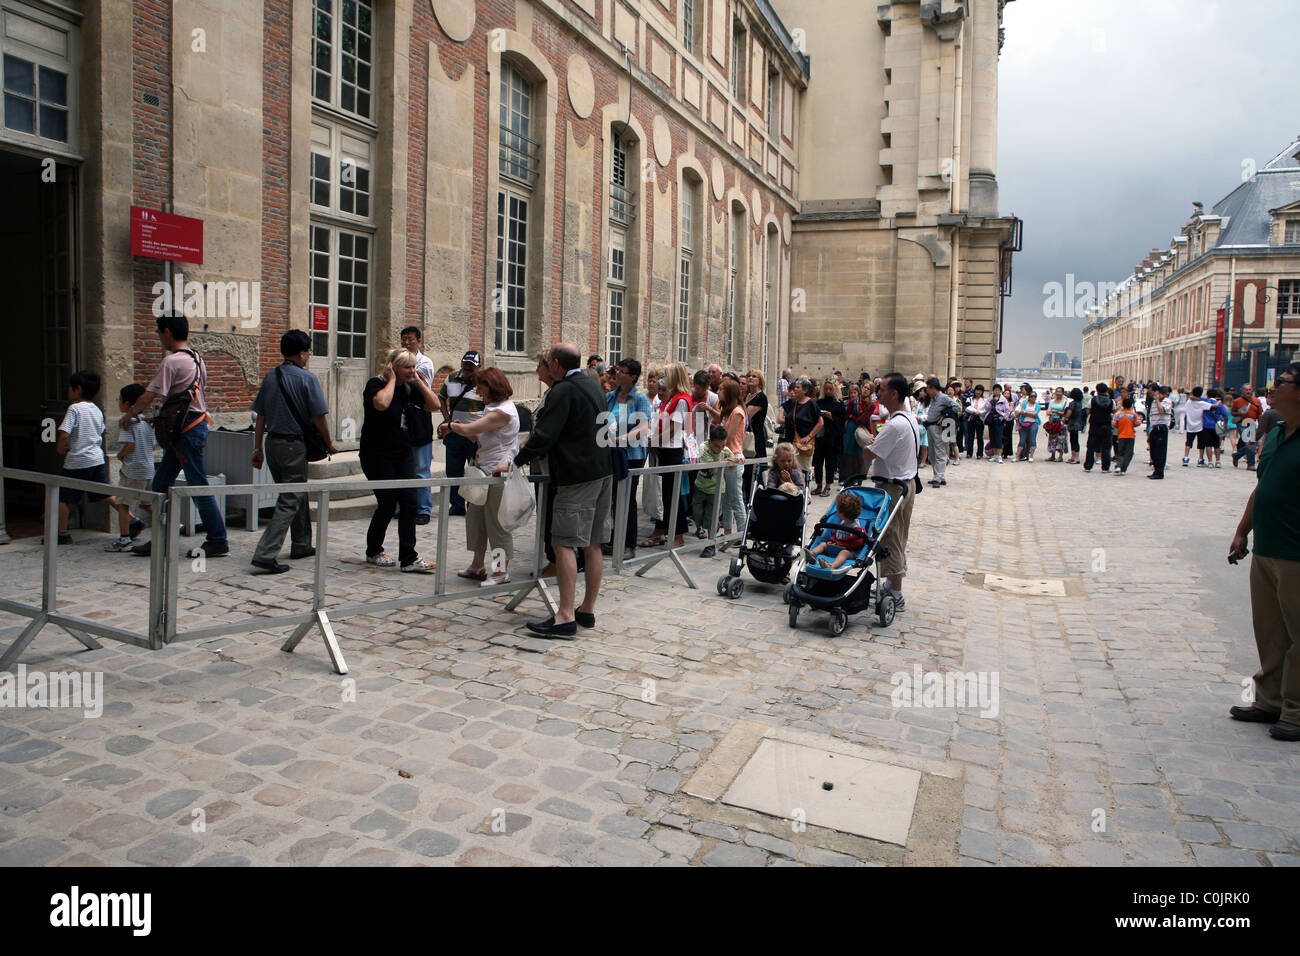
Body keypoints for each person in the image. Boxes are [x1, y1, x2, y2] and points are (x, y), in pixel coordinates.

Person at [503, 344, 613, 639]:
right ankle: (586, 609)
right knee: (593, 544)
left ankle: (565, 616)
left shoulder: (563, 390)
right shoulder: (592, 385)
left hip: (577, 476)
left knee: (563, 543)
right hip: (602, 471)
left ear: (555, 363)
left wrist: (515, 463)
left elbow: (545, 436)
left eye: (546, 362)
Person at [1228, 362, 1300, 741]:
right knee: (1269, 630)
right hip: (1267, 547)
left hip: (1296, 553)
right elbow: (1263, 487)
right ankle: (1269, 700)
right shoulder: (1276, 434)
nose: (1271, 390)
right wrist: (1243, 531)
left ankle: (1296, 710)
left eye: (1281, 384)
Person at [121, 312, 227, 557]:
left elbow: (149, 396)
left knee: (197, 484)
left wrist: (129, 415)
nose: (158, 338)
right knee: (160, 484)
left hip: (185, 431)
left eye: (159, 332)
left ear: (166, 331)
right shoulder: (198, 359)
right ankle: (161, 539)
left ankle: (218, 539)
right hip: (191, 427)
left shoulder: (172, 361)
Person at [248, 329, 339, 573]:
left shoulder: (270, 376)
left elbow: (260, 418)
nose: (308, 356)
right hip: (293, 446)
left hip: (272, 444)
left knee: (296, 492)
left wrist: (257, 448)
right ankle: (265, 554)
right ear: (301, 353)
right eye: (308, 351)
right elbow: (319, 416)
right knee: (290, 498)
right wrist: (329, 442)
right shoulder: (307, 379)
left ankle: (301, 543)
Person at [360, 348, 441, 572]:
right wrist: (391, 380)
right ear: (393, 367)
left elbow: (435, 406)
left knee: (409, 503)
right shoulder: (376, 385)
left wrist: (420, 383)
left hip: (402, 452)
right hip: (376, 454)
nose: (412, 371)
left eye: (414, 366)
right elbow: (382, 404)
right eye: (407, 367)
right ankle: (373, 550)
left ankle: (408, 558)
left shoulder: (409, 388)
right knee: (387, 503)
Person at [450, 367, 519, 586]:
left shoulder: (503, 411)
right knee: (476, 520)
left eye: (481, 386)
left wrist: (452, 426)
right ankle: (477, 565)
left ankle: (500, 571)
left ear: (492, 386)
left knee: (496, 526)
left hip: (496, 475)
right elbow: (479, 436)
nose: (478, 391)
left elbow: (474, 429)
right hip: (483, 472)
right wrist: (463, 429)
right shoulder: (493, 407)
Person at [859, 373, 920, 612]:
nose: (878, 393)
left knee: (890, 537)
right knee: (898, 536)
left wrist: (865, 442)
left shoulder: (894, 425)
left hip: (892, 486)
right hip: (906, 483)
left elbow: (869, 454)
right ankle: (892, 584)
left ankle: (896, 592)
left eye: (882, 390)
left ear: (894, 394)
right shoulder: (908, 418)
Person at [53, 371, 119, 547]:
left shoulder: (74, 408)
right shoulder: (96, 409)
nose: (68, 390)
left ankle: (62, 533)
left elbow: (64, 433)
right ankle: (131, 518)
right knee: (105, 492)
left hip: (77, 460)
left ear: (78, 389)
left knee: (64, 497)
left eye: (70, 387)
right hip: (96, 459)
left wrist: (61, 448)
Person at [604, 358, 652, 561]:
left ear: (633, 376)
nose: (617, 374)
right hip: (611, 451)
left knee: (628, 498)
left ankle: (629, 544)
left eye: (622, 371)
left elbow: (644, 427)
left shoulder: (640, 399)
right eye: (617, 369)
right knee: (614, 498)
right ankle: (615, 538)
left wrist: (623, 438)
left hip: (631, 455)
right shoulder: (610, 397)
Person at [643, 363, 692, 548]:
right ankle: (661, 529)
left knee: (673, 495)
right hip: (665, 448)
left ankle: (678, 534)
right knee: (665, 494)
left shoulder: (681, 400)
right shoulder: (673, 398)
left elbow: (674, 428)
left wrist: (655, 441)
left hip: (672, 449)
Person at [107, 384, 154, 551]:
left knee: (123, 505)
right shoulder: (146, 423)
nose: (118, 402)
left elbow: (130, 445)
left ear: (127, 404)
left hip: (133, 470)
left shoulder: (126, 423)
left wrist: (120, 455)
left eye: (119, 399)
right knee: (147, 503)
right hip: (148, 469)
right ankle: (173, 522)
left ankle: (124, 540)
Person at [437, 350, 483, 516]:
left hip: (475, 433)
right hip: (455, 431)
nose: (467, 369)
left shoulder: (483, 382)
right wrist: (447, 419)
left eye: (471, 367)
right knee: (453, 469)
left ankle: (474, 502)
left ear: (479, 367)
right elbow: (441, 397)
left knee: (475, 469)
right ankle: (456, 504)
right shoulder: (452, 378)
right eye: (465, 365)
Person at [400, 326, 437, 524]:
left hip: (420, 417)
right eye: (403, 339)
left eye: (410, 340)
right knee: (404, 467)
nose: (406, 343)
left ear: (419, 341)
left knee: (421, 468)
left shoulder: (425, 363)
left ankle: (424, 509)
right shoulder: (397, 359)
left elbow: (417, 381)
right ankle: (407, 506)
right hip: (402, 418)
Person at [695, 425, 741, 558]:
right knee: (696, 513)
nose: (719, 449)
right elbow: (707, 463)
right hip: (701, 487)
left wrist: (736, 461)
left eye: (722, 446)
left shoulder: (726, 450)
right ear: (710, 442)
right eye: (716, 446)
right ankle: (701, 528)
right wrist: (726, 461)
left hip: (717, 490)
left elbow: (732, 467)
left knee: (712, 517)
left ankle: (710, 545)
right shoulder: (704, 447)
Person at [808, 491, 867, 570]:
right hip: (835, 547)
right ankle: (812, 554)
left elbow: (857, 544)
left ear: (842, 513)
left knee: (844, 553)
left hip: (849, 551)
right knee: (823, 544)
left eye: (837, 508)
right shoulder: (842, 523)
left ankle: (832, 566)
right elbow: (835, 534)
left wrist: (840, 544)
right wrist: (831, 540)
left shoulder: (856, 529)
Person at [780, 377, 822, 484]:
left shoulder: (811, 403)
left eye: (798, 387)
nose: (794, 389)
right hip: (792, 441)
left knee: (803, 470)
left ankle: (804, 494)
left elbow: (820, 422)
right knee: (793, 470)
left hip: (803, 443)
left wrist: (809, 436)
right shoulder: (796, 403)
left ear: (805, 390)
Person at [923, 377, 961, 486]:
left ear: (933, 388)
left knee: (940, 452)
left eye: (928, 389)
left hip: (940, 428)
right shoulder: (933, 399)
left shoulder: (944, 398)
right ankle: (939, 475)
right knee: (933, 453)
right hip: (930, 427)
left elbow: (957, 407)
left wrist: (945, 414)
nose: (927, 391)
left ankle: (937, 478)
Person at [813, 379, 846, 496]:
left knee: (830, 463)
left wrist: (832, 417)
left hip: (833, 437)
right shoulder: (819, 402)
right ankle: (818, 485)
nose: (828, 391)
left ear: (835, 390)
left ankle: (827, 486)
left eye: (830, 389)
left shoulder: (839, 404)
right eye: (826, 389)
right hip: (820, 436)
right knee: (818, 462)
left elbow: (842, 421)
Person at [743, 369, 770, 502]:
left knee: (754, 472)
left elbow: (746, 417)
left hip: (754, 438)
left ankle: (755, 501)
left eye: (754, 376)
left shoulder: (760, 397)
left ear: (760, 380)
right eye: (749, 376)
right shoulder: (747, 396)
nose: (751, 378)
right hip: (745, 436)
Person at [1083, 383, 1114, 472]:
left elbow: (1088, 412)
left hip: (1094, 425)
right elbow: (1112, 411)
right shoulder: (1111, 401)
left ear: (1097, 390)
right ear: (1106, 390)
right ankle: (1105, 467)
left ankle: (1088, 466)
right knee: (1106, 447)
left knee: (1091, 447)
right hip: (1106, 425)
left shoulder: (1092, 400)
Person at [1231, 384, 1263, 469]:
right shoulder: (1237, 401)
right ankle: (1251, 464)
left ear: (1252, 390)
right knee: (1250, 442)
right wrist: (1239, 413)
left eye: (1249, 390)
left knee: (1251, 443)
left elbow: (1260, 414)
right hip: (1242, 423)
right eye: (1246, 390)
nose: (1248, 391)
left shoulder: (1256, 401)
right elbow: (1232, 413)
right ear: (1242, 390)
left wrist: (1261, 425)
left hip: (1252, 423)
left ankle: (1237, 455)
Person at [1111, 396, 1142, 476]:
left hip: (1121, 435)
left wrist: (1120, 426)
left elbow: (1114, 424)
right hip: (1131, 436)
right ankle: (1124, 468)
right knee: (1129, 453)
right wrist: (1132, 426)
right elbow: (1138, 423)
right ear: (1131, 405)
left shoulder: (1118, 415)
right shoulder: (1134, 415)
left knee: (1120, 452)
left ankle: (1118, 466)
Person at [1201, 388, 1229, 468]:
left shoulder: (1204, 403)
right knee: (1217, 445)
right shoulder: (1220, 405)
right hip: (1217, 426)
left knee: (1208, 445)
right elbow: (1226, 416)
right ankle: (1218, 461)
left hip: (1206, 425)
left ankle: (1210, 462)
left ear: (1207, 395)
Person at [986, 384, 1010, 463]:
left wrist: (1004, 418)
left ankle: (999, 455)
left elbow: (1007, 410)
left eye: (998, 390)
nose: (996, 391)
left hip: (999, 419)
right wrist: (990, 403)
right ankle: (994, 454)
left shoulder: (1003, 400)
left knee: (998, 438)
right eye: (995, 390)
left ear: (1000, 391)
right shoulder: (990, 398)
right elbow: (986, 407)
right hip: (991, 420)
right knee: (992, 438)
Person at [1015, 387, 1039, 462]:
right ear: (1029, 397)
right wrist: (1028, 413)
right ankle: (1017, 456)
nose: (1033, 398)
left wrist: (1025, 413)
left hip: (1034, 423)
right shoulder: (1025, 403)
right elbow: (1021, 412)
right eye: (1031, 396)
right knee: (1022, 440)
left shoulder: (1037, 405)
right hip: (1024, 423)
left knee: (1032, 440)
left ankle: (1031, 456)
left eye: (1034, 396)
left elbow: (1035, 415)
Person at [1045, 386, 1069, 462]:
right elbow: (1048, 411)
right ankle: (1052, 455)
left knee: (1061, 439)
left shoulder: (1065, 401)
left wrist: (1057, 412)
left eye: (1060, 392)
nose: (1058, 393)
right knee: (1052, 438)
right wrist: (1049, 413)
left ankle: (1060, 456)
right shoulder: (1052, 401)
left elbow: (1066, 412)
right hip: (1052, 421)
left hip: (1061, 422)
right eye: (1057, 391)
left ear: (1062, 393)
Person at [966, 385, 987, 460]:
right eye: (977, 390)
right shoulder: (970, 399)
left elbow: (986, 410)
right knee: (970, 437)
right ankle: (969, 453)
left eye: (980, 391)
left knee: (980, 437)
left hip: (980, 419)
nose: (978, 392)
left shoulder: (985, 400)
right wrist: (975, 411)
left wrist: (979, 412)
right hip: (971, 419)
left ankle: (980, 453)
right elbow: (967, 408)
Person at [1065, 388, 1084, 464]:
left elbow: (1069, 413)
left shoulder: (1072, 404)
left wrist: (1065, 418)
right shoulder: (1080, 403)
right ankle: (1073, 457)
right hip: (1078, 423)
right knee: (1074, 440)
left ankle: (1076, 457)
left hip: (1072, 423)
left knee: (1073, 440)